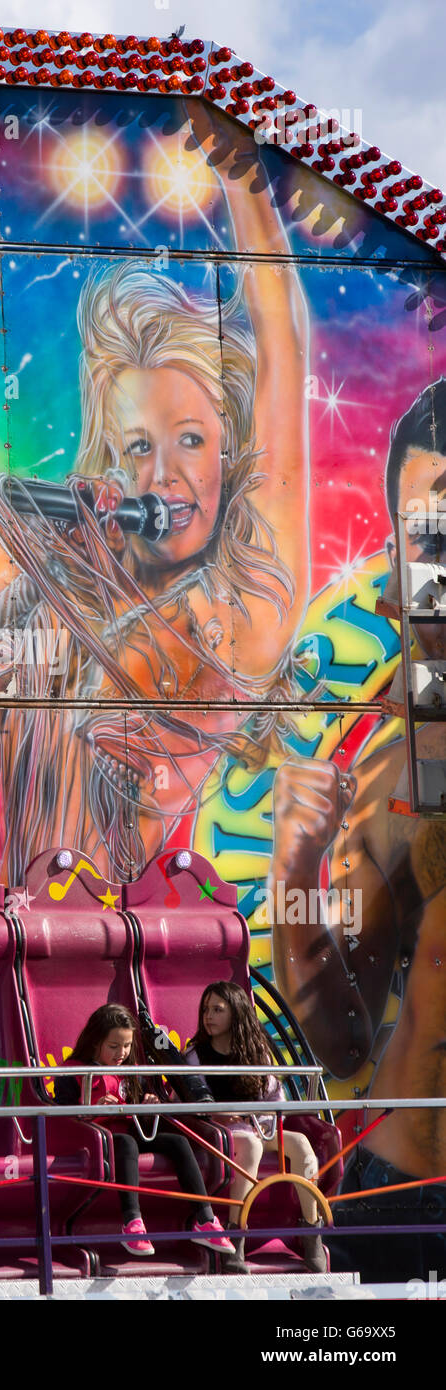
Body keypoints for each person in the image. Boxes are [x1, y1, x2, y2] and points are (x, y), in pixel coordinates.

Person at [0, 102, 311, 882]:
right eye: (139, 446)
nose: (163, 472)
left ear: (231, 452)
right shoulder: (59, 586)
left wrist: (244, 181)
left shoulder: (244, 598)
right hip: (19, 923)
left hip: (132, 935)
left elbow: (283, 344)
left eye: (190, 441)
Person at [269, 378, 446, 1281]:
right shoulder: (389, 770)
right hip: (404, 1178)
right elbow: (340, 1038)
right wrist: (293, 861)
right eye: (426, 537)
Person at [53, 1003, 233, 1258]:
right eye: (114, 1047)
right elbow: (62, 1118)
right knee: (126, 1143)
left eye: (126, 1046)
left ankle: (205, 1219)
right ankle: (132, 1224)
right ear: (95, 1043)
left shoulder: (131, 1070)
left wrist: (148, 1105)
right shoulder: (73, 1071)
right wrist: (92, 1109)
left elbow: (138, 1113)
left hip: (129, 1130)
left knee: (177, 1142)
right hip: (93, 1140)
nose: (122, 1053)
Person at [186, 981, 325, 1273]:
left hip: (257, 1125)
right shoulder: (196, 1055)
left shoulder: (256, 1052)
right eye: (206, 1009)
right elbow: (189, 1098)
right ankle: (236, 1234)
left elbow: (275, 1098)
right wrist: (223, 1114)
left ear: (236, 1013)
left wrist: (256, 1116)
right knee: (250, 1145)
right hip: (219, 1131)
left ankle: (311, 1232)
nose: (208, 1016)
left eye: (217, 1010)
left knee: (300, 1143)